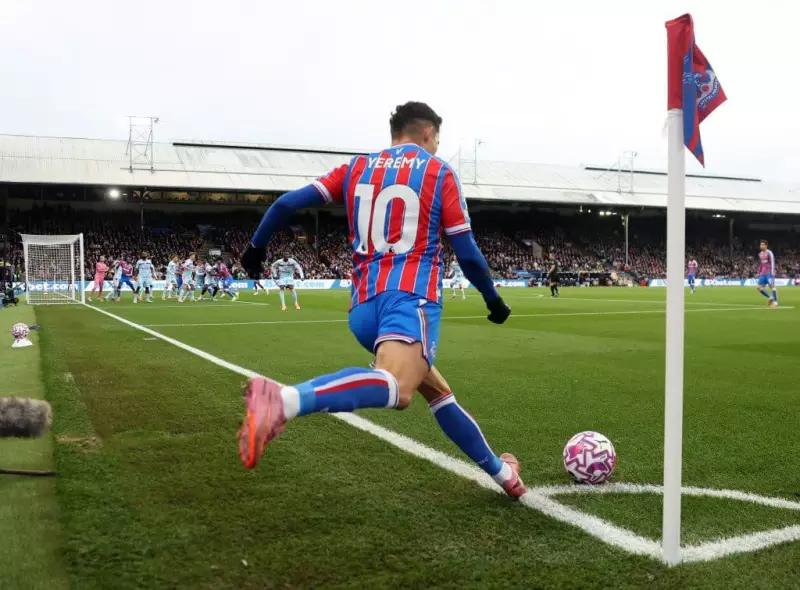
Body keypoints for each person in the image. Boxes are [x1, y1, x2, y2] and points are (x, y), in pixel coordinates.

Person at [239, 101, 524, 499]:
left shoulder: (356, 168)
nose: (437, 145)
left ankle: (503, 474)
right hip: (410, 298)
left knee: (437, 392)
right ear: (427, 132)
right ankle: (283, 401)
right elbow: (467, 251)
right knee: (398, 389)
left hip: (363, 307)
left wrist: (255, 249)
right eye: (437, 138)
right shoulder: (438, 171)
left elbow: (287, 203)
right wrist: (493, 300)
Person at [756, 240, 778, 307]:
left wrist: (772, 272)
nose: (761, 246)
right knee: (759, 288)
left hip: (769, 273)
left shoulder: (769, 253)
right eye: (760, 245)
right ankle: (770, 297)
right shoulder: (760, 254)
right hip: (763, 273)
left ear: (766, 245)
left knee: (772, 287)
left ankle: (775, 302)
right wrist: (759, 272)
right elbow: (761, 264)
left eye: (763, 245)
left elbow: (772, 262)